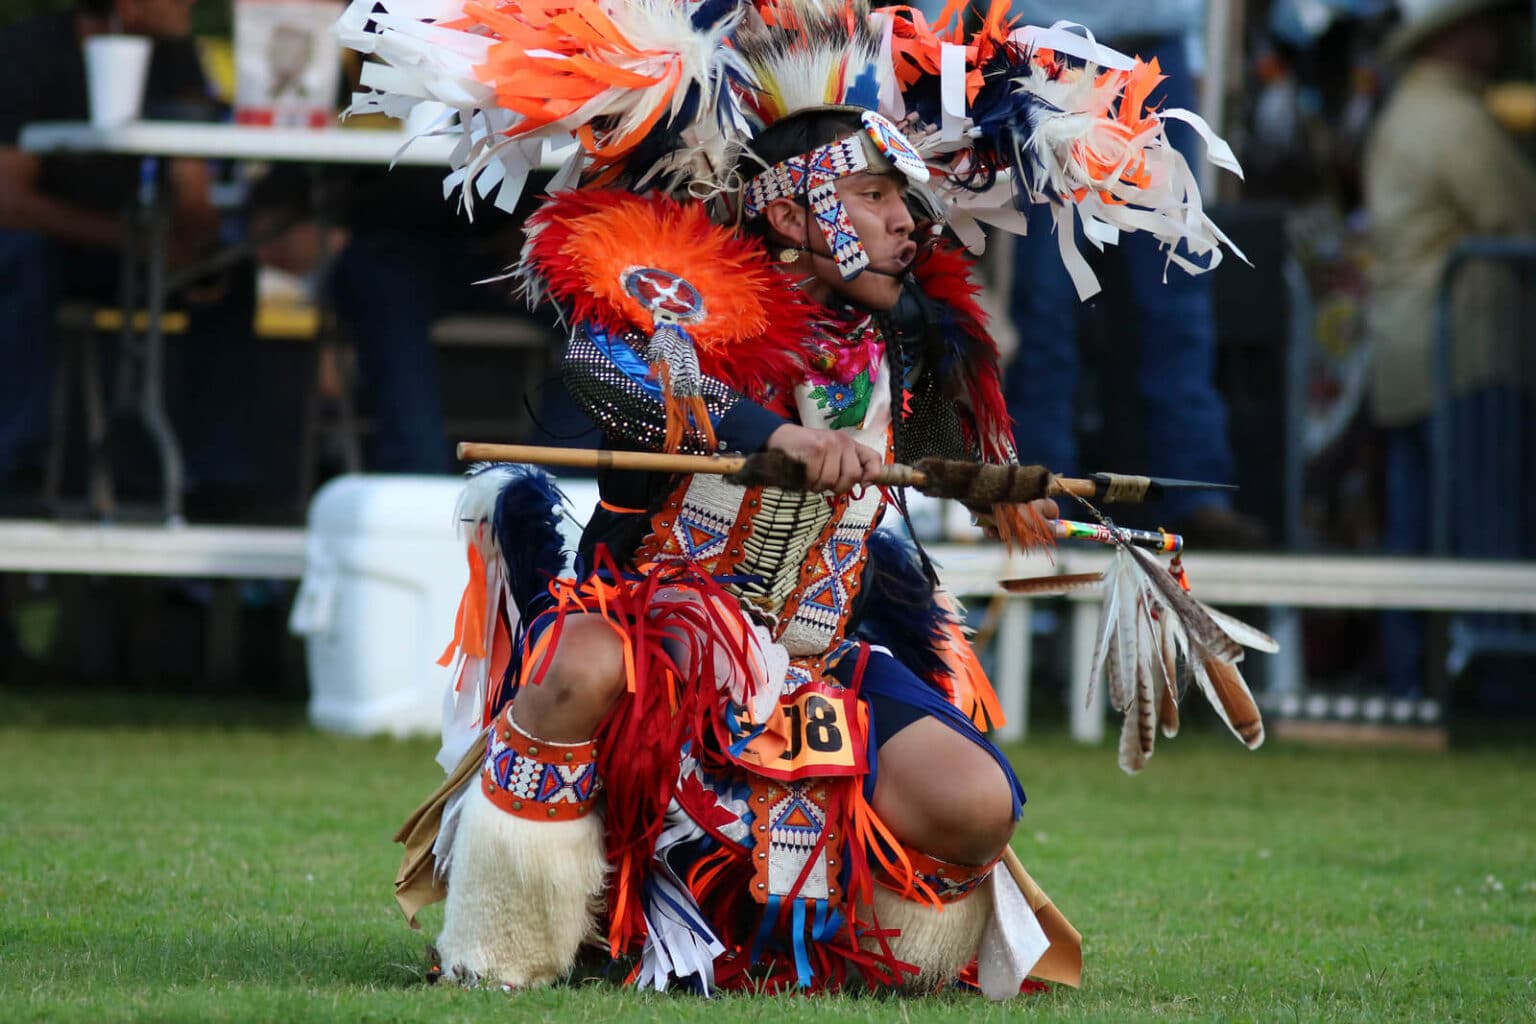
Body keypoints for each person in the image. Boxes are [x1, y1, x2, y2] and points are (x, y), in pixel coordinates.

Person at [344, 0, 1243, 997]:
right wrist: (767, 434)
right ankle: (506, 943)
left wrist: (1004, 489)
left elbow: (955, 451)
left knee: (977, 803)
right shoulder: (686, 309)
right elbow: (607, 369)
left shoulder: (902, 341)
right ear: (788, 210)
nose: (907, 217)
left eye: (906, 193)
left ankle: (797, 945)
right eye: (873, 193)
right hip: (651, 640)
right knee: (577, 663)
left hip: (813, 649)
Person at [1000, 1, 1269, 549]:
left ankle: (1191, 490)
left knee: (1170, 289)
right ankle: (1044, 486)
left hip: (1137, 45)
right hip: (1050, 53)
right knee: (1052, 297)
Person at [0, 0, 266, 513]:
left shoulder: (175, 56)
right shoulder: (29, 53)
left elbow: (192, 188)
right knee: (21, 257)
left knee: (230, 273)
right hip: (53, 244)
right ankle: (18, 466)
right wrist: (127, 239)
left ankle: (220, 479)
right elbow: (9, 201)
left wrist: (197, 244)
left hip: (135, 246)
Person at [1363, 0, 1536, 697]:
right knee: (1482, 529)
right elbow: (1520, 215)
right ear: (1464, 36)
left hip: (1412, 350)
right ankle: (1494, 687)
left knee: (1418, 530)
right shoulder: (1455, 120)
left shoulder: (1411, 109)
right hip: (1463, 352)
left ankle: (1413, 683)